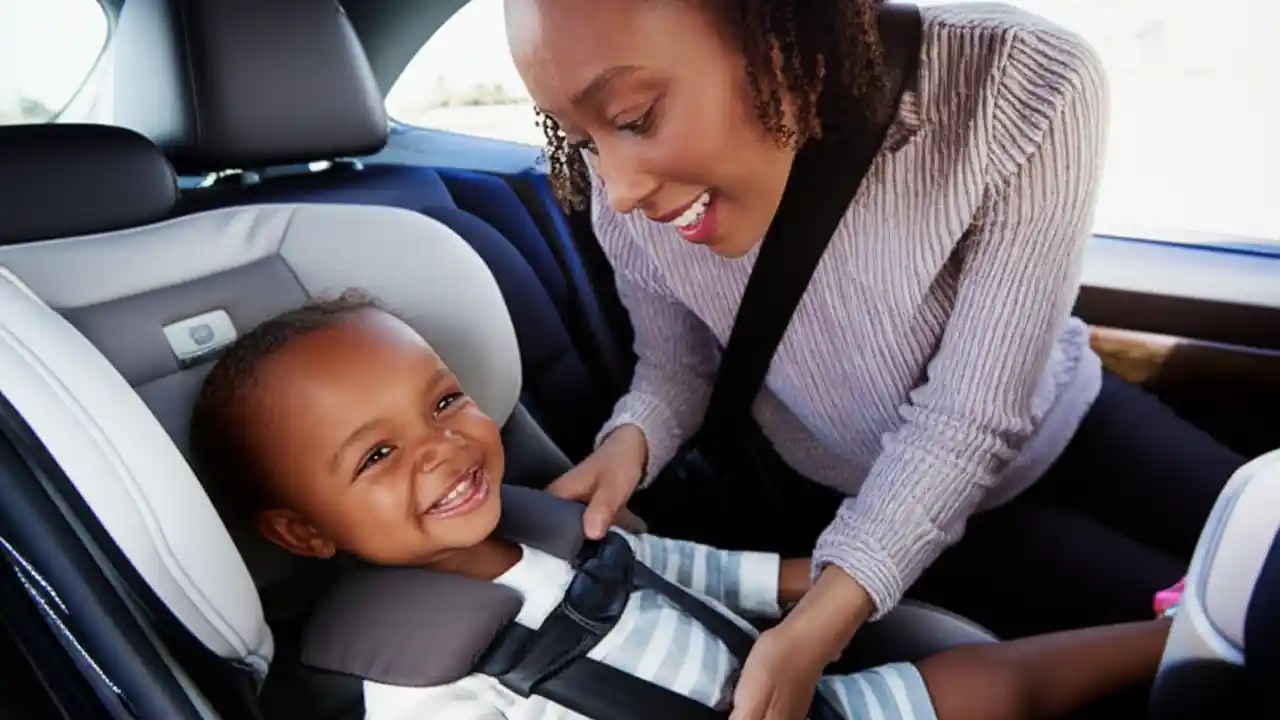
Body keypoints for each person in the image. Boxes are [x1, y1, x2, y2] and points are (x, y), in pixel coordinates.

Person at [503, 0, 1246, 716]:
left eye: (635, 118)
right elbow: (678, 367)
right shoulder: (629, 202)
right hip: (877, 505)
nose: (618, 190)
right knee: (1218, 652)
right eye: (581, 141)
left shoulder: (1020, 82)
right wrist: (631, 442)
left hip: (1066, 420)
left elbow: (969, 415)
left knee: (1259, 567)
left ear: (777, 26)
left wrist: (821, 625)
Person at [188, 294, 1172, 720]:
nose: (442, 446)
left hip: (805, 700)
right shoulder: (415, 680)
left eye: (444, 401)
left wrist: (831, 581)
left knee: (998, 681)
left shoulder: (541, 521)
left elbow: (681, 574)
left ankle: (1193, 635)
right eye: (376, 455)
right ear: (301, 531)